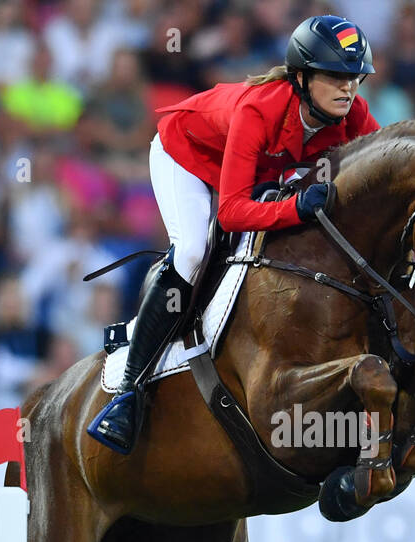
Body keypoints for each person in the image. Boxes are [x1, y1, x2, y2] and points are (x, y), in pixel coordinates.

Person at [88, 15, 381, 453]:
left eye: (355, 78)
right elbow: (229, 213)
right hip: (185, 155)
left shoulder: (351, 113)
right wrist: (295, 207)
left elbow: (382, 164)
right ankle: (130, 389)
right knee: (193, 251)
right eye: (336, 77)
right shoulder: (259, 109)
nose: (348, 88)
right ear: (302, 77)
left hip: (256, 172)